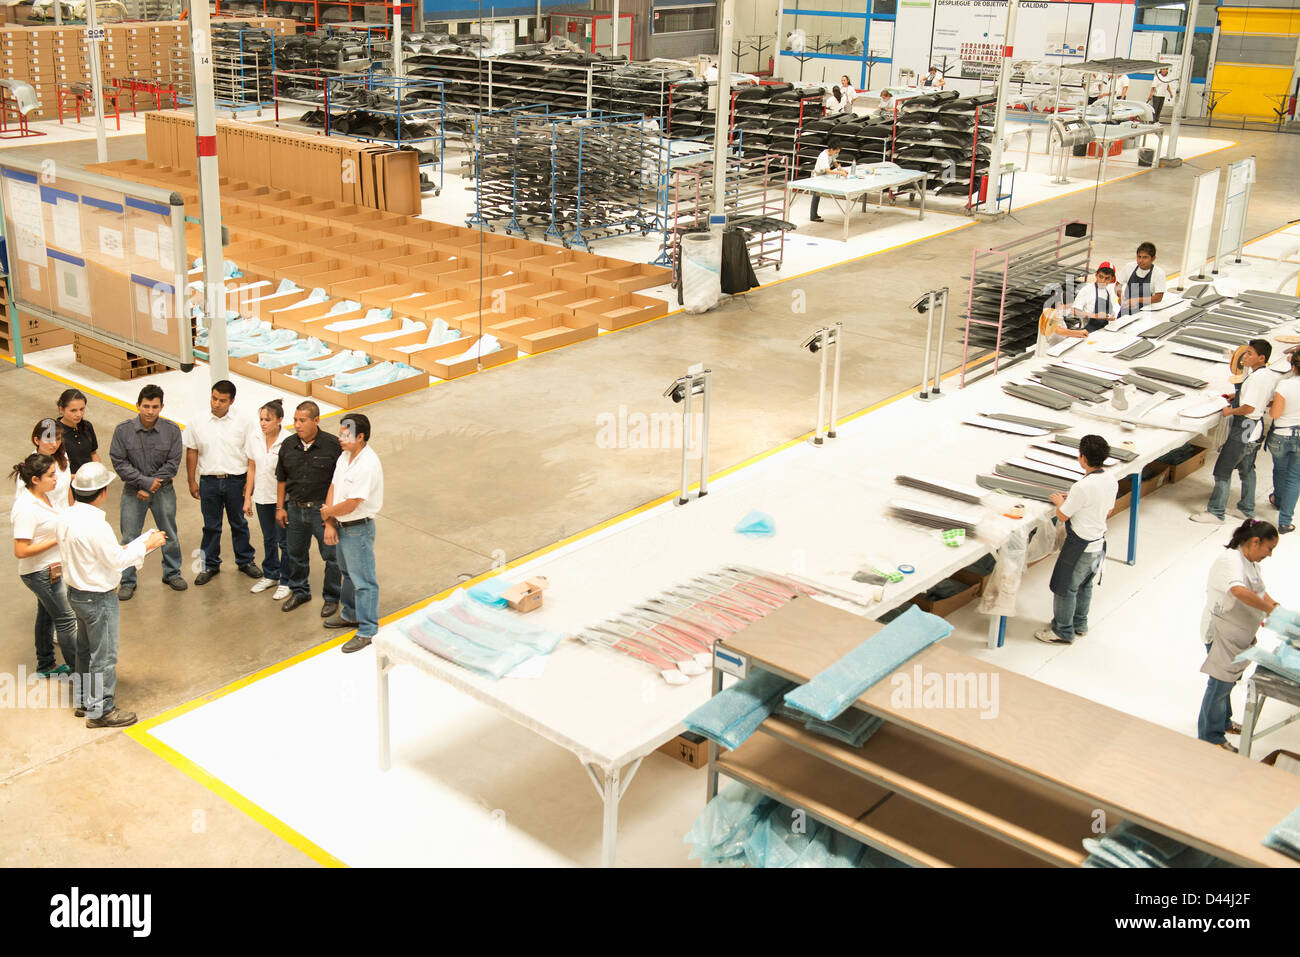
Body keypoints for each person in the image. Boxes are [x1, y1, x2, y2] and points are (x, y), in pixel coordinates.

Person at [57, 462, 166, 728]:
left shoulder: (66, 516)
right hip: (98, 598)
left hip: (76, 593)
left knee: (85, 650)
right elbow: (116, 560)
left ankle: (85, 701)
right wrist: (148, 545)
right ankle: (101, 710)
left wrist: (135, 544)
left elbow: (101, 555)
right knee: (103, 655)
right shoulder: (96, 526)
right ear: (102, 492)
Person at [1197, 519, 1279, 752]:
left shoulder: (1251, 564)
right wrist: (1269, 609)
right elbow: (1238, 591)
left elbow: (1260, 593)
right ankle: (1210, 736)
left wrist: (1278, 609)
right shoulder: (1230, 561)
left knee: (1229, 681)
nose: (1270, 554)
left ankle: (1222, 721)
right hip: (1221, 632)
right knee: (1220, 683)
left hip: (1238, 634)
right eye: (1269, 548)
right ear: (1255, 541)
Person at [1035, 434, 1118, 645]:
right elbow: (1108, 509)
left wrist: (1057, 500)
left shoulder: (1081, 487)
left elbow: (1062, 516)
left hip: (1079, 546)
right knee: (1085, 585)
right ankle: (1080, 623)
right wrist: (1074, 499)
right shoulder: (1110, 479)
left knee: (1065, 588)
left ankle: (1062, 631)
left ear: (1082, 457)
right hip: (1098, 543)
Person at [109, 384, 185, 599]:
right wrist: (144, 483)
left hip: (163, 490)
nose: (150, 411)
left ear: (162, 407)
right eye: (145, 406)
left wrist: (151, 486)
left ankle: (172, 573)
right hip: (134, 491)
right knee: (130, 536)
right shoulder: (123, 431)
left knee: (168, 532)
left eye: (154, 406)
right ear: (137, 405)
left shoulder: (171, 431)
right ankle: (127, 580)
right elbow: (119, 461)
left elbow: (172, 463)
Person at [1192, 339, 1277, 525]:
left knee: (1223, 469)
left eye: (1250, 354)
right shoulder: (1269, 375)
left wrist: (1230, 410)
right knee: (1247, 469)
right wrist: (1237, 396)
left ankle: (1216, 512)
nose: (1245, 357)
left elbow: (1248, 407)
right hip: (1257, 427)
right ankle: (1247, 509)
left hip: (1245, 427)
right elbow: (1266, 400)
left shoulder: (1254, 379)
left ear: (1261, 358)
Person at [184, 380, 261, 585]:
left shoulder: (244, 422)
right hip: (208, 481)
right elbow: (191, 450)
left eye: (222, 400)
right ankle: (209, 564)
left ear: (232, 401)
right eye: (214, 398)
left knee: (239, 523)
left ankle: (245, 561)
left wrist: (249, 485)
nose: (216, 404)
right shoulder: (197, 420)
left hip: (237, 481)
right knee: (210, 526)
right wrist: (191, 480)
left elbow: (252, 454)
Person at [321, 414, 384, 654]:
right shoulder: (345, 457)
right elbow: (334, 487)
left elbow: (354, 502)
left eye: (346, 435)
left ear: (361, 436)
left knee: (364, 581)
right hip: (341, 525)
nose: (340, 438)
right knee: (347, 574)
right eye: (340, 433)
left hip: (358, 528)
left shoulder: (368, 463)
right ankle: (350, 614)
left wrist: (328, 512)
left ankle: (367, 630)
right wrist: (329, 520)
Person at [11, 453, 76, 678]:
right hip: (40, 573)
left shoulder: (46, 497)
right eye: (50, 475)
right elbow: (20, 550)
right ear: (35, 480)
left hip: (52, 569)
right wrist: (57, 539)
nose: (56, 479)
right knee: (67, 620)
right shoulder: (26, 508)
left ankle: (46, 665)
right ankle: (80, 671)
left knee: (46, 615)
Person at [276, 400, 342, 618]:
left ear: (316, 420)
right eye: (295, 420)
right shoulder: (287, 445)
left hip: (321, 511)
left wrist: (331, 515)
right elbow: (282, 479)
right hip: (295, 509)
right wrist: (280, 507)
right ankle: (300, 591)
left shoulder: (333, 446)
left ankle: (332, 597)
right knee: (295, 553)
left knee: (331, 556)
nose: (297, 425)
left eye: (302, 420)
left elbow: (340, 482)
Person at [243, 399, 292, 600]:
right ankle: (271, 573)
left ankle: (287, 580)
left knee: (285, 541)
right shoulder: (254, 437)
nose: (263, 423)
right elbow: (252, 467)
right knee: (268, 538)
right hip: (262, 497)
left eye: (268, 420)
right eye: (261, 419)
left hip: (282, 500)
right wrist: (247, 497)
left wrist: (282, 504)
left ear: (280, 420)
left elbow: (289, 474)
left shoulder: (288, 441)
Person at [1267, 349, 1300, 534]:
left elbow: (1275, 414)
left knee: (1279, 469)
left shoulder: (1285, 385)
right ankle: (1285, 522)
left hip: (1281, 434)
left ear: (1292, 366)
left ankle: (1278, 499)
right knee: (1295, 479)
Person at [17, 418, 71, 507]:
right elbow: (23, 503)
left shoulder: (62, 455)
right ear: (36, 440)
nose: (54, 444)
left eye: (58, 439)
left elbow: (67, 488)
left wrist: (72, 511)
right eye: (49, 439)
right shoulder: (30, 468)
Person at [1065, 262, 1121, 332]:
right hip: (1089, 331)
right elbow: (1074, 311)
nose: (1102, 281)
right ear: (1096, 275)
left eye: (1107, 278)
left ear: (1112, 279)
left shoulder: (1108, 290)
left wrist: (1111, 314)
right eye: (1101, 277)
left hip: (1105, 329)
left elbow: (1108, 310)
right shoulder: (1086, 290)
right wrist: (1095, 316)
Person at [56, 388, 100, 474]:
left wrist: (99, 473)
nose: (79, 414)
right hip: (69, 482)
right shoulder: (55, 433)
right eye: (73, 410)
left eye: (82, 409)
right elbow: (56, 470)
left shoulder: (87, 426)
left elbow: (93, 453)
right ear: (61, 409)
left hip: (88, 479)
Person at [1118, 242, 1168, 314]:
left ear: (1153, 258)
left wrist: (1137, 300)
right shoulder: (1129, 267)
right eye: (1139, 257)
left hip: (1146, 312)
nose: (1141, 260)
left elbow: (1158, 298)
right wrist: (1120, 296)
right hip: (1126, 309)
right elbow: (1118, 285)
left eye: (1145, 257)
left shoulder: (1159, 273)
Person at [808, 142, 848, 224]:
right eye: (836, 152)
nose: (837, 154)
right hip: (817, 176)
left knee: (817, 196)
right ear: (832, 149)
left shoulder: (832, 154)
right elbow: (828, 171)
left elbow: (835, 163)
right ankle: (813, 216)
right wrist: (840, 173)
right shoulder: (824, 156)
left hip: (823, 176)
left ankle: (814, 215)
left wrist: (842, 169)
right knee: (816, 196)